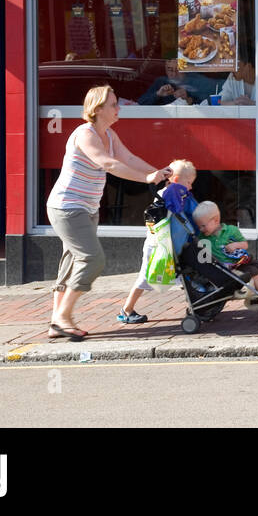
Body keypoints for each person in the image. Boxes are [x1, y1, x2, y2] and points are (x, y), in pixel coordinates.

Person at [46, 85, 172, 341]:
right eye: (114, 104)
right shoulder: (85, 133)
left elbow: (130, 158)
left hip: (86, 209)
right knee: (93, 259)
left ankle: (56, 321)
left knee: (71, 263)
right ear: (98, 108)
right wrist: (147, 178)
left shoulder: (109, 134)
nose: (119, 108)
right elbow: (108, 164)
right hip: (68, 207)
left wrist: (157, 174)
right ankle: (62, 317)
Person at [118, 159, 198, 323]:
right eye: (189, 183)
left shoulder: (176, 195)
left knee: (182, 274)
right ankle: (126, 310)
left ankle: (196, 305)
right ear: (175, 181)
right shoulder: (168, 194)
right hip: (156, 246)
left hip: (168, 245)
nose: (190, 187)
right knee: (145, 277)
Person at [190, 201, 258, 319]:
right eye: (199, 226)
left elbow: (244, 244)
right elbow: (204, 259)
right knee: (253, 272)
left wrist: (235, 245)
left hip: (242, 260)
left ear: (215, 220)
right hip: (230, 268)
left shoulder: (231, 230)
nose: (201, 229)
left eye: (203, 225)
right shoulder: (203, 239)